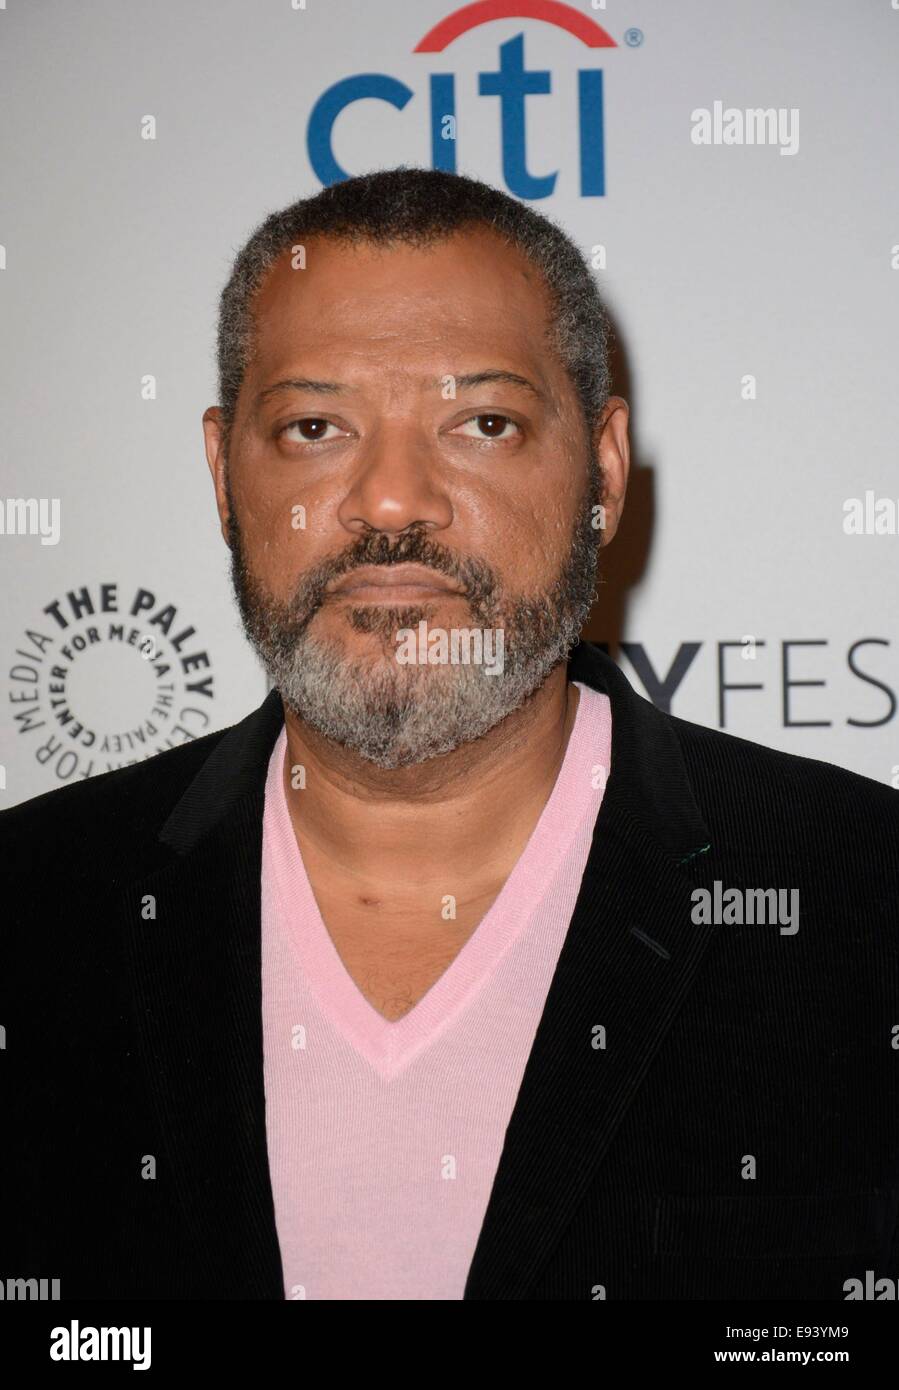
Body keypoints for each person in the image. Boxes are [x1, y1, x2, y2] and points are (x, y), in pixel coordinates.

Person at [3, 167, 897, 1301]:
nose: (390, 502)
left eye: (482, 423)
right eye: (315, 427)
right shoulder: (30, 909)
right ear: (224, 476)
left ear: (602, 473)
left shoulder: (864, 897)